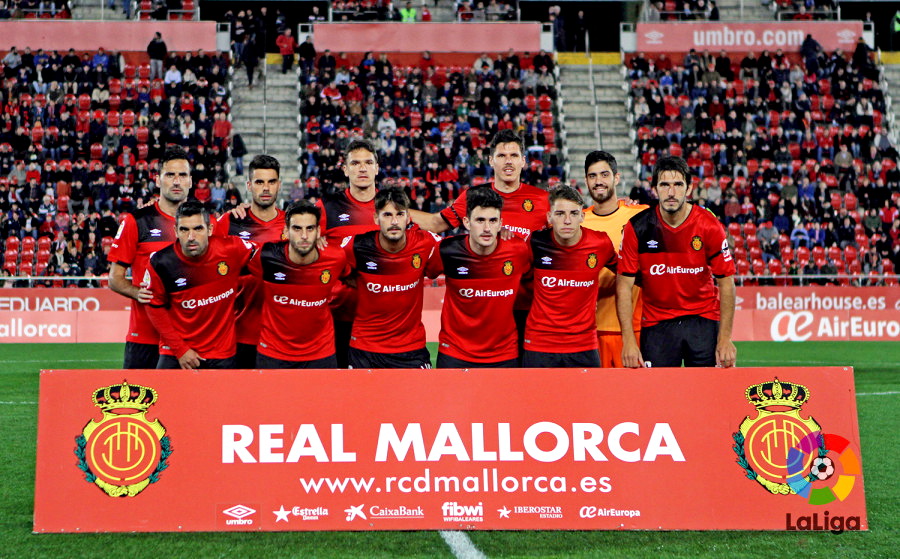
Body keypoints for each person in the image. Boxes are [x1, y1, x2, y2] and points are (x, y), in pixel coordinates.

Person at [409, 129, 549, 347]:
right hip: (485, 305)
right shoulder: (473, 196)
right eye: (502, 156)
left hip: (528, 307)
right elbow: (437, 223)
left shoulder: (543, 200)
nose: (508, 162)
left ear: (523, 161)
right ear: (491, 160)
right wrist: (394, 211)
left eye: (513, 156)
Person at [616, 156, 737, 369]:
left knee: (705, 395)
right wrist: (628, 340)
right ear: (654, 189)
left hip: (702, 321)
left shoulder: (709, 226)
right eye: (664, 185)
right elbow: (623, 285)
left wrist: (725, 339)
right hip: (657, 325)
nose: (671, 192)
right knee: (658, 398)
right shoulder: (638, 227)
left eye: (678, 185)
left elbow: (726, 283)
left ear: (689, 188)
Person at [425, 187, 532, 368]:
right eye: (480, 220)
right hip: (455, 353)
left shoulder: (518, 250)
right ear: (466, 222)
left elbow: (533, 281)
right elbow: (424, 273)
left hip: (503, 355)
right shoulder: (447, 250)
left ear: (501, 223)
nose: (487, 228)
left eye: (492, 221)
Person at [108, 146, 192, 369]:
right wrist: (139, 293)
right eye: (170, 175)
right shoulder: (138, 221)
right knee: (137, 402)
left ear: (191, 181)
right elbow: (115, 278)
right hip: (145, 337)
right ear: (158, 180)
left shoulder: (204, 223)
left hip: (189, 339)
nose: (176, 181)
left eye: (182, 175)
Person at [145, 201, 256, 369]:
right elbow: (154, 307)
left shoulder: (232, 249)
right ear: (175, 231)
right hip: (176, 354)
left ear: (210, 229)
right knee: (166, 395)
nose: (191, 237)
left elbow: (271, 258)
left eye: (198, 229)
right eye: (184, 230)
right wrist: (180, 350)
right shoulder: (161, 263)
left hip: (221, 355)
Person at [343, 188, 439, 369]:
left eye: (399, 214)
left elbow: (466, 249)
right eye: (387, 215)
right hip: (365, 349)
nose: (394, 221)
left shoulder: (426, 243)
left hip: (411, 350)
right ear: (375, 218)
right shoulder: (355, 246)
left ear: (408, 217)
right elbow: (333, 265)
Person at [523, 185, 617, 368]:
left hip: (584, 344)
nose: (567, 220)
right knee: (538, 398)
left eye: (574, 213)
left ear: (582, 216)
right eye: (559, 214)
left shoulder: (600, 243)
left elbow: (628, 272)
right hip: (540, 343)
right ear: (549, 217)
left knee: (588, 397)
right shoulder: (535, 242)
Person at [248, 201, 349, 368]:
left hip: (321, 353)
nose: (304, 236)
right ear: (286, 231)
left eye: (310, 228)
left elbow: (351, 277)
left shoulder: (336, 257)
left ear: (318, 232)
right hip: (273, 353)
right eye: (297, 228)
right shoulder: (265, 257)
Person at [215, 154, 286, 368]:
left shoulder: (293, 225)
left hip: (281, 336)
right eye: (259, 182)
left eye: (271, 182)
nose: (266, 188)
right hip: (238, 334)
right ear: (248, 185)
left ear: (279, 185)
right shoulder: (230, 221)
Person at [317, 139, 382, 367]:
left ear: (377, 167)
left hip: (381, 319)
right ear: (345, 169)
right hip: (338, 315)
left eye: (368, 162)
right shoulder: (328, 206)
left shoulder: (390, 208)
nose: (362, 168)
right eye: (355, 163)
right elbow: (309, 251)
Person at [581, 150, 649, 367]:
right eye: (592, 176)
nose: (598, 181)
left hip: (632, 329)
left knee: (632, 398)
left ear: (616, 178)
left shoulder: (640, 214)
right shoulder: (576, 220)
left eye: (604, 174)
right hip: (589, 331)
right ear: (586, 181)